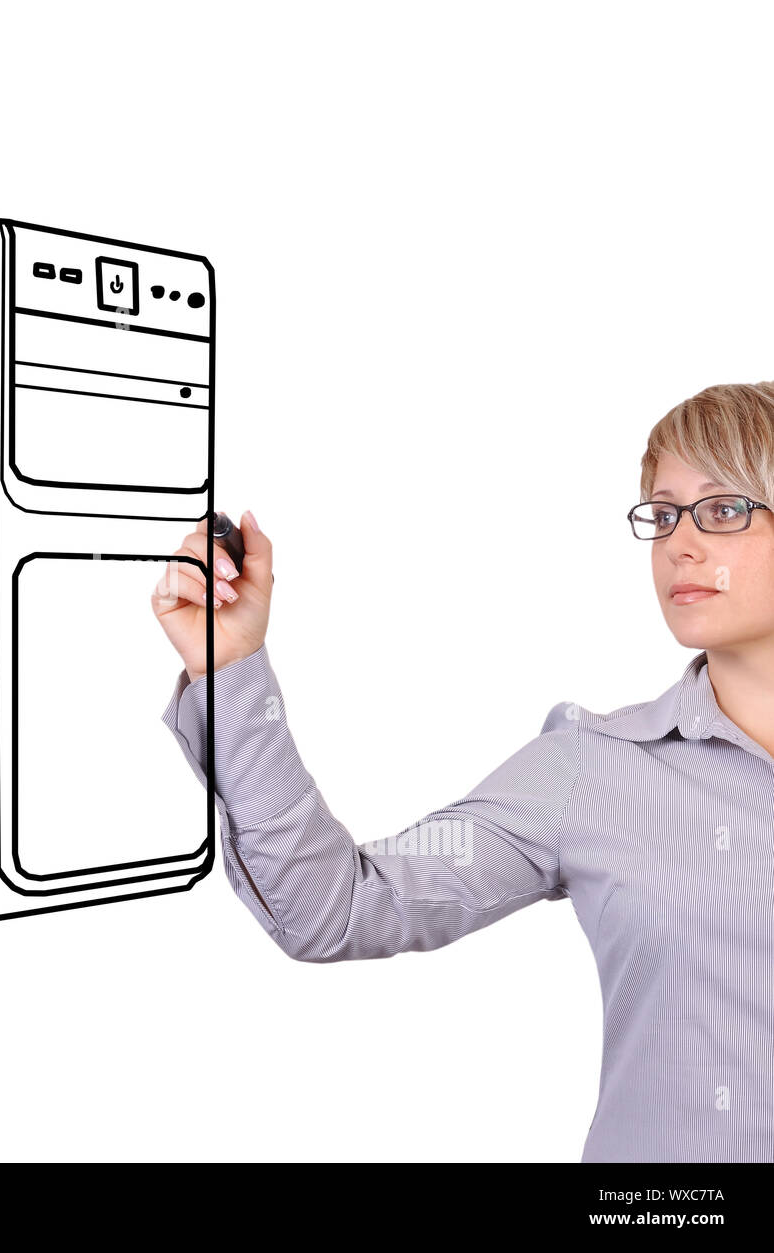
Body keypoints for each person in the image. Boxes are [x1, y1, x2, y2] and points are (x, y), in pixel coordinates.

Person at [150, 381, 774, 1164]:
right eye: (663, 513)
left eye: (722, 510)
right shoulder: (593, 769)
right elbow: (334, 908)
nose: (680, 543)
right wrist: (231, 666)